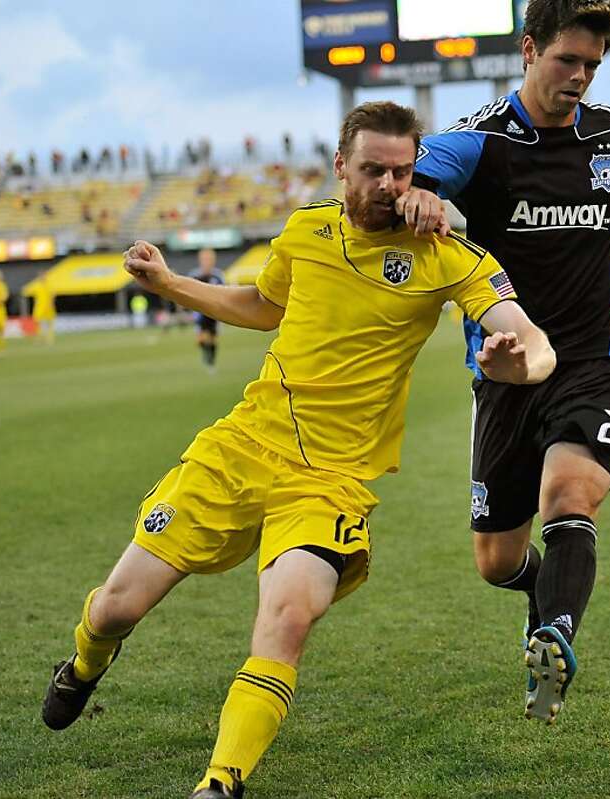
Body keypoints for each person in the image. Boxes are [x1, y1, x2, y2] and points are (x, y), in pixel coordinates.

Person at [40, 102, 554, 799]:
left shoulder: (448, 257)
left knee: (288, 615)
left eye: (404, 171)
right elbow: (263, 304)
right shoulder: (306, 228)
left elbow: (529, 340)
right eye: (374, 169)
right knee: (116, 609)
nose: (390, 184)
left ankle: (220, 782)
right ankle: (82, 663)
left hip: (331, 481)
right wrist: (170, 284)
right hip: (241, 448)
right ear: (341, 165)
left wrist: (513, 361)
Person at [394, 0, 610, 724]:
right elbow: (399, 178)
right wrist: (418, 197)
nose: (579, 76)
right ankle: (539, 596)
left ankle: (555, 635)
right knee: (495, 560)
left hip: (597, 356)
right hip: (507, 369)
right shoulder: (479, 142)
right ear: (528, 49)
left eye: (591, 63)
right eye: (566, 60)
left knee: (569, 496)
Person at [191, 248, 225, 370]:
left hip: (214, 313)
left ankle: (211, 361)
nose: (206, 261)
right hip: (200, 313)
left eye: (209, 259)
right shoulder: (195, 275)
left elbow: (225, 292)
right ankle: (207, 357)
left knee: (213, 339)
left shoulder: (218, 275)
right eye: (204, 259)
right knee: (200, 339)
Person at [31, 270, 57, 345]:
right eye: (41, 275)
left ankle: (49, 340)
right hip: (39, 307)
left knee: (49, 324)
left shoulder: (50, 284)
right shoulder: (36, 285)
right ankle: (39, 339)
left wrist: (51, 304)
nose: (43, 277)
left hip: (49, 307)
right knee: (38, 324)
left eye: (44, 275)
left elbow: (52, 295)